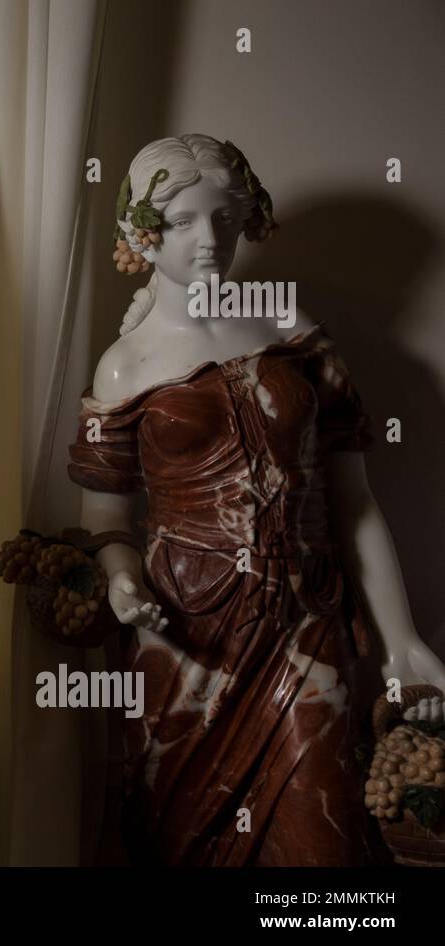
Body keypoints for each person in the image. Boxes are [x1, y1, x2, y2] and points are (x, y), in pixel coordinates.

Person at [67, 133, 445, 865]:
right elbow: (103, 516)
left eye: (225, 218)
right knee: (181, 844)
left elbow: (356, 502)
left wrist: (400, 641)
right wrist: (119, 579)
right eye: (181, 223)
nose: (208, 242)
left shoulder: (294, 335)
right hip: (183, 638)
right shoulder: (126, 367)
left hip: (303, 626)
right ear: (143, 234)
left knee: (323, 844)